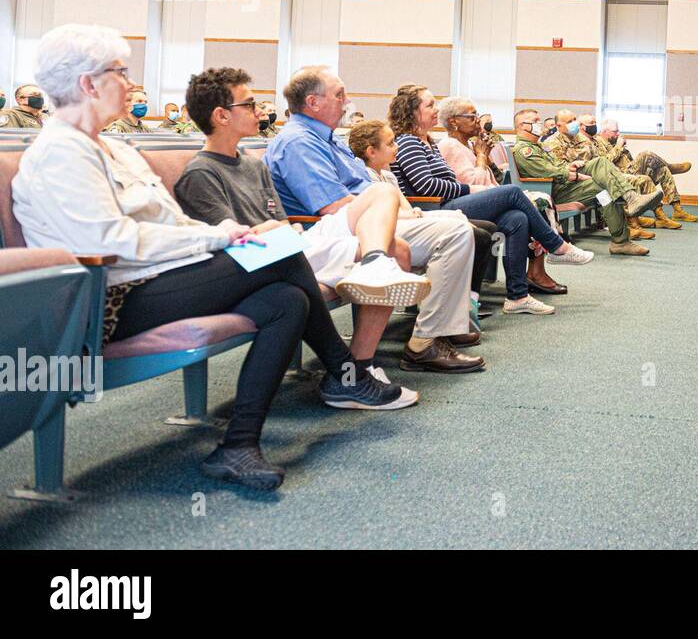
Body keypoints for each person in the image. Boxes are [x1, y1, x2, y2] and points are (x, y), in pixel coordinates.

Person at [12, 25, 416, 491]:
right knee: (279, 254)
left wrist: (222, 233)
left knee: (285, 300)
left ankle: (239, 445)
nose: (128, 82)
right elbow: (111, 241)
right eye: (119, 72)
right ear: (87, 83)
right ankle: (344, 371)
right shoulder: (60, 153)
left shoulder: (117, 147)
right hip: (107, 302)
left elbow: (170, 223)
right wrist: (216, 242)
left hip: (160, 279)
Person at [175, 67, 446, 384]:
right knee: (391, 242)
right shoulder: (201, 173)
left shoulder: (250, 162)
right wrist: (284, 233)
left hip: (289, 241)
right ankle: (349, 373)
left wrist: (287, 232)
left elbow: (277, 219)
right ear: (222, 116)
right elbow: (233, 239)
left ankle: (360, 364)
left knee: (389, 221)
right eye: (249, 105)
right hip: (259, 258)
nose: (260, 110)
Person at [264, 68, 485, 373]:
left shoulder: (328, 138)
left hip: (364, 221)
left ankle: (441, 326)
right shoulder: (298, 142)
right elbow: (332, 206)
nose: (347, 100)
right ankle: (426, 341)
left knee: (457, 219)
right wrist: (389, 208)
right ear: (313, 102)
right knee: (454, 231)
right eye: (339, 94)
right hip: (337, 231)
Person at [387, 84, 594, 314]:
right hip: (433, 208)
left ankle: (518, 296)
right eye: (429, 105)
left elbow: (448, 181)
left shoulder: (429, 142)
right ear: (412, 111)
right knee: (512, 193)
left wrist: (467, 185)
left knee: (516, 219)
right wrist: (469, 190)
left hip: (448, 202)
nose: (436, 109)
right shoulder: (408, 142)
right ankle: (557, 246)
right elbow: (426, 186)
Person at [349, 119, 498, 328]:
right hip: (392, 230)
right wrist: (413, 215)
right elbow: (379, 215)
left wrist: (415, 213)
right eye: (391, 143)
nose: (397, 147)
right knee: (476, 234)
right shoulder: (365, 177)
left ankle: (468, 300)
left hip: (408, 221)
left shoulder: (388, 176)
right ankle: (452, 310)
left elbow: (406, 208)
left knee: (485, 228)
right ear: (371, 151)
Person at [437, 95, 571, 293]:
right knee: (537, 199)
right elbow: (473, 185)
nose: (478, 120)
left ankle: (520, 290)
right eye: (472, 115)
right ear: (453, 121)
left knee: (520, 216)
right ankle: (552, 253)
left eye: (477, 115)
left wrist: (485, 158)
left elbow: (496, 180)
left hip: (484, 200)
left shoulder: (471, 145)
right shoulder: (450, 146)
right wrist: (481, 157)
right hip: (464, 204)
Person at [512, 108, 661, 256]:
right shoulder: (524, 150)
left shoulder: (539, 145)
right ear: (522, 126)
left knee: (601, 165)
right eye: (536, 121)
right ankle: (622, 237)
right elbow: (546, 172)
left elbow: (555, 166)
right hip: (552, 192)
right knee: (605, 184)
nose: (541, 124)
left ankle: (624, 227)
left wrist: (569, 166)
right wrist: (574, 174)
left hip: (563, 184)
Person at [547, 112, 657, 240]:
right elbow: (560, 171)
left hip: (588, 178)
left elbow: (600, 159)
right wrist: (579, 173)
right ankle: (627, 221)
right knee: (606, 182)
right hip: (569, 185)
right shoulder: (553, 143)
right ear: (559, 126)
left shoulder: (582, 139)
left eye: (575, 119)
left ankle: (623, 233)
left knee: (608, 183)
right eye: (570, 121)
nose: (575, 123)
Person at [594, 116, 698, 227]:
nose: (618, 133)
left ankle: (677, 210)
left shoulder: (614, 142)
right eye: (615, 131)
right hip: (619, 177)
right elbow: (605, 163)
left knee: (662, 170)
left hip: (631, 173)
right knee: (645, 154)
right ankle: (671, 167)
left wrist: (621, 147)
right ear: (604, 132)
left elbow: (629, 161)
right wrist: (619, 147)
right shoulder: (598, 143)